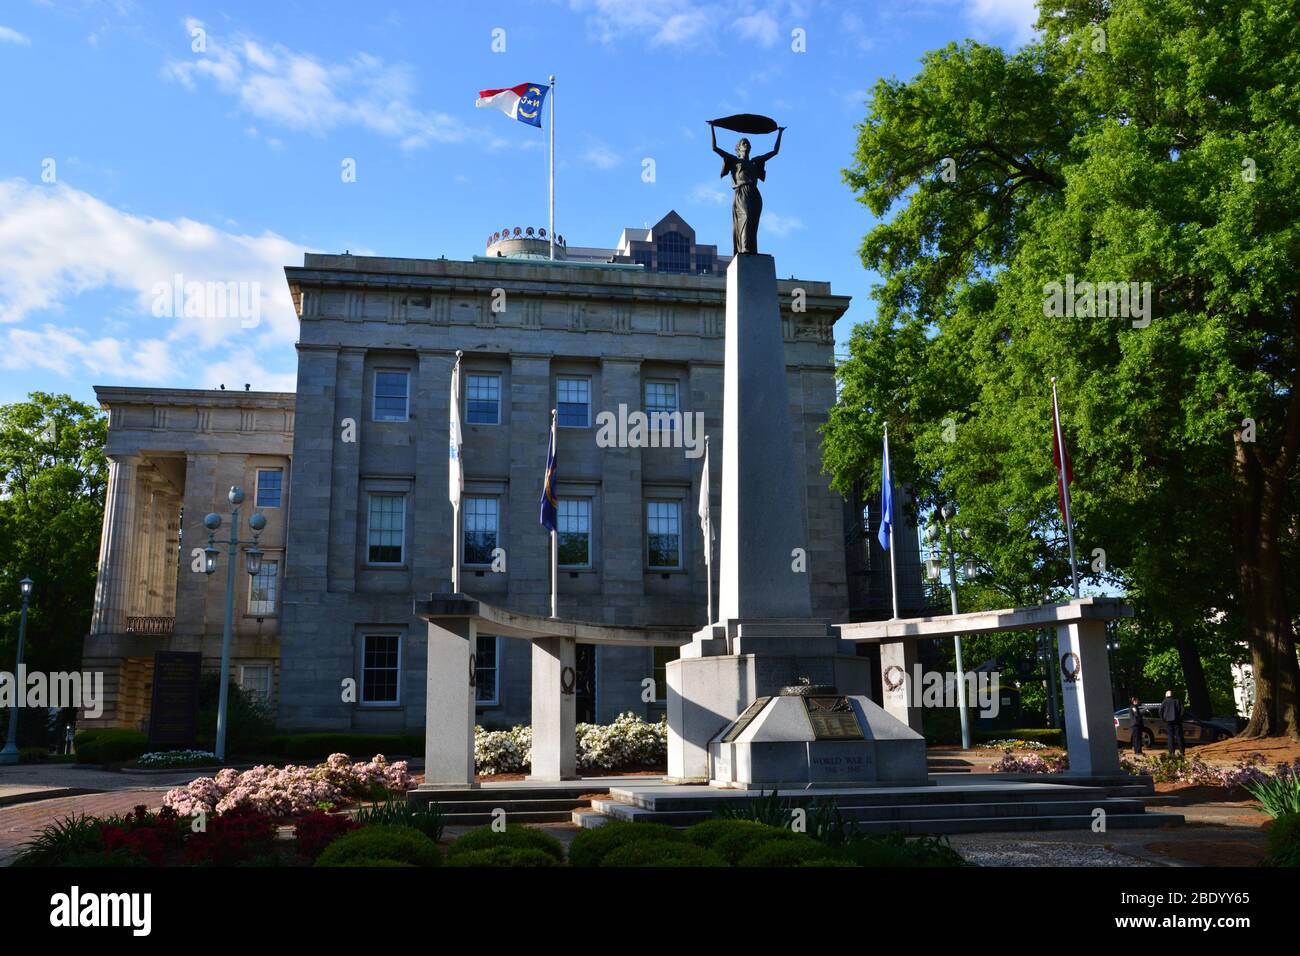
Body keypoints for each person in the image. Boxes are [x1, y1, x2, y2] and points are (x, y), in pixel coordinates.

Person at [711, 122, 784, 255]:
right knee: (746, 216)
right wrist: (712, 127)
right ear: (738, 148)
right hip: (741, 193)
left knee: (753, 222)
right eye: (744, 143)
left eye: (748, 144)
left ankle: (751, 248)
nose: (747, 145)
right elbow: (715, 148)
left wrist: (780, 133)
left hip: (754, 193)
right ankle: (744, 248)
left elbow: (775, 152)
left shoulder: (755, 161)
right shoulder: (734, 161)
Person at [1160, 689, 1185, 755]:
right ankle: (1182, 752)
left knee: (1170, 736)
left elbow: (1160, 711)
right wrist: (1180, 718)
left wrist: (1163, 719)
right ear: (1172, 695)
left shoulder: (1164, 702)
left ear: (1166, 695)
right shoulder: (1177, 701)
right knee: (1179, 736)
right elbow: (1182, 711)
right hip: (1177, 721)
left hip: (1168, 721)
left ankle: (1171, 752)